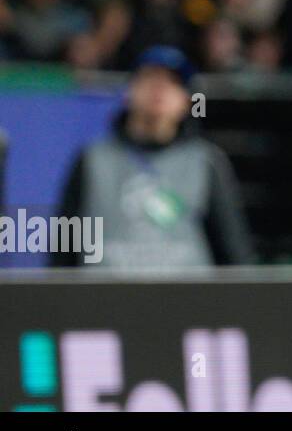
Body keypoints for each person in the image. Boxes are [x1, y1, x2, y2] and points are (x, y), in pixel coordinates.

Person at [52, 45, 256, 270]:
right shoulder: (92, 159)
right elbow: (63, 250)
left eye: (172, 82)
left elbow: (234, 253)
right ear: (129, 92)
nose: (159, 88)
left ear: (186, 101)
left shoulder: (206, 161)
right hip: (106, 301)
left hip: (187, 301)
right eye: (149, 77)